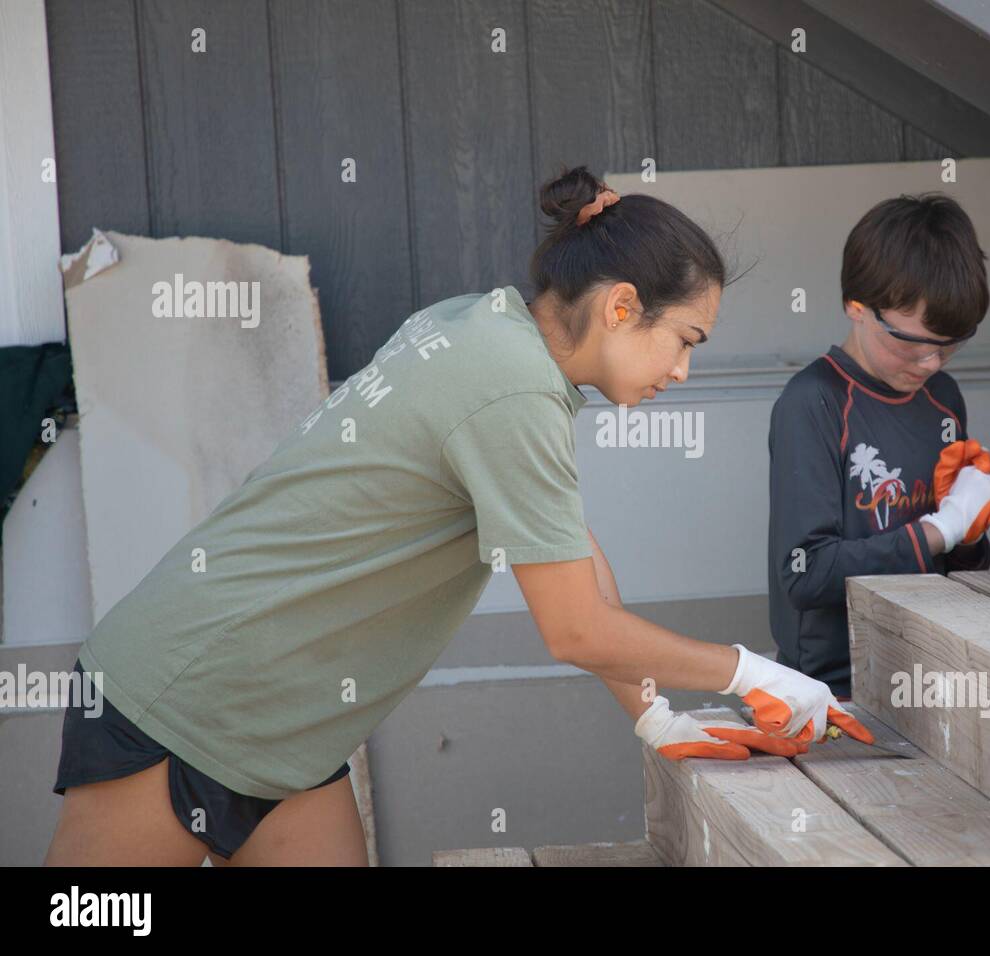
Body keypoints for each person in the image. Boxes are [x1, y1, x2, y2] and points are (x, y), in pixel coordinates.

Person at [44, 166, 873, 867]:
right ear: (622, 307)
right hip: (187, 698)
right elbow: (577, 629)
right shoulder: (512, 390)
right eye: (686, 339)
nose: (686, 371)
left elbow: (576, 560)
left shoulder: (486, 331)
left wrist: (656, 714)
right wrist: (750, 671)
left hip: (286, 726)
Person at [767, 193, 990, 700]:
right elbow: (805, 573)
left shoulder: (942, 399)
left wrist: (969, 530)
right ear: (856, 306)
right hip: (832, 692)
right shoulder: (813, 403)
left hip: (929, 673)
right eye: (910, 342)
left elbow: (948, 567)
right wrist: (938, 529)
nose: (930, 364)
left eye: (949, 344)